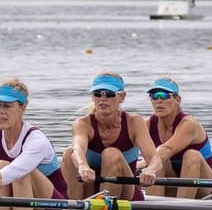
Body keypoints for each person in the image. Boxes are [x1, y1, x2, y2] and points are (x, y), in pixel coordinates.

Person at [62, 72, 160, 201]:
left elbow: (155, 158)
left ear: (122, 97)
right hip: (88, 192)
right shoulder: (82, 124)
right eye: (98, 94)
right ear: (92, 97)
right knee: (69, 154)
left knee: (111, 153)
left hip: (125, 194)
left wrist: (150, 170)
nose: (102, 99)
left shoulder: (134, 122)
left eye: (108, 94)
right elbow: (77, 150)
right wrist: (82, 165)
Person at [0, 79, 67, 210]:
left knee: (19, 172)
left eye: (7, 106)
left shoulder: (36, 140)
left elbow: (16, 170)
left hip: (56, 209)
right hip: (20, 206)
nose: (0, 112)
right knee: (1, 165)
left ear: (23, 107)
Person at [143, 77, 212, 198]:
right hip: (173, 184)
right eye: (154, 96)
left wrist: (145, 166)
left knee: (191, 155)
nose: (159, 100)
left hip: (205, 188)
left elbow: (167, 149)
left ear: (178, 99)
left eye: (165, 95)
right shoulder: (148, 124)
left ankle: (182, 208)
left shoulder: (189, 124)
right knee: (159, 160)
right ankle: (154, 207)